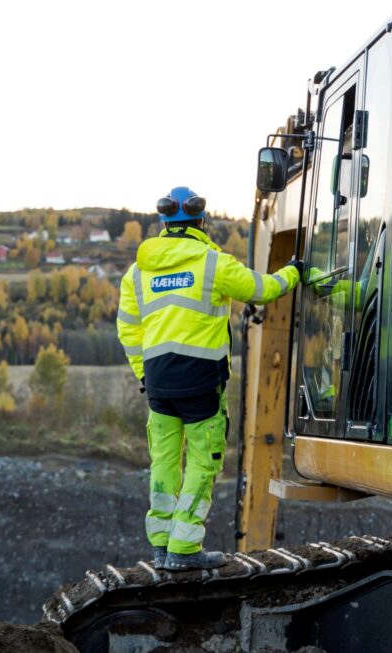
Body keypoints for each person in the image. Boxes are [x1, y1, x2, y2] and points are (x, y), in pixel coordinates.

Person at [116, 186, 303, 571]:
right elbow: (263, 290)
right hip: (201, 386)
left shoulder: (137, 273)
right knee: (203, 463)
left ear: (164, 223)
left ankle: (162, 546)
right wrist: (294, 272)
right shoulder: (213, 263)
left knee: (165, 464)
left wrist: (144, 376)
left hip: (159, 388)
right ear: (201, 222)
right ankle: (184, 550)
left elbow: (128, 331)